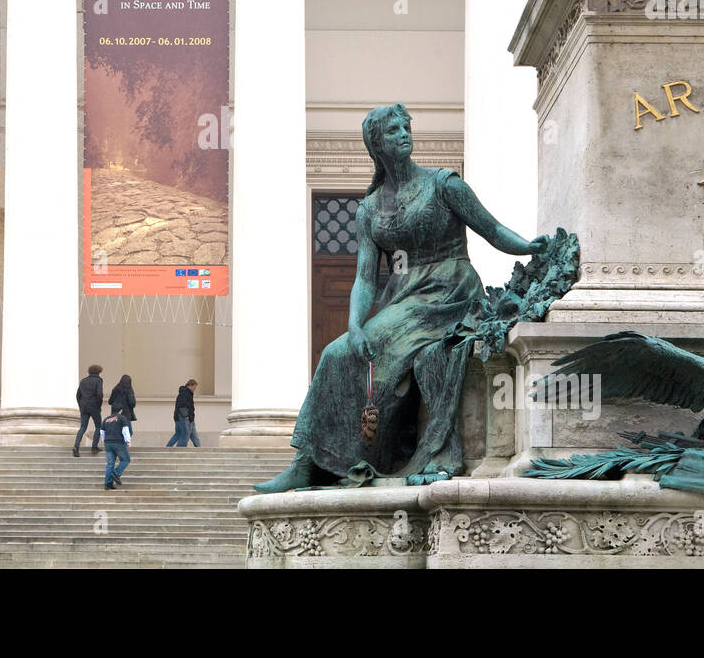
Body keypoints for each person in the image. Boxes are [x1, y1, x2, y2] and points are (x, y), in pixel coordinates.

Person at [256, 104, 549, 493]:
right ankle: (310, 461)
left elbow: (492, 229)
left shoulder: (445, 185)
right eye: (393, 131)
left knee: (362, 353)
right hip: (404, 298)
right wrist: (355, 324)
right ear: (376, 143)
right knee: (340, 352)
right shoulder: (370, 208)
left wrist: (529, 247)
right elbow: (365, 277)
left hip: (450, 293)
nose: (403, 134)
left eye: (406, 127)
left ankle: (321, 463)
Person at [73, 364, 104, 458]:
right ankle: (94, 447)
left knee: (82, 427)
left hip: (84, 407)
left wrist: (81, 405)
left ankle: (76, 446)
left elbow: (78, 395)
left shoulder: (83, 381)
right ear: (99, 372)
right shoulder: (99, 380)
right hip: (94, 406)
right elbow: (99, 394)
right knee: (98, 426)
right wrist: (99, 405)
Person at [100, 404, 132, 490]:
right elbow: (125, 430)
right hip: (118, 443)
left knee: (110, 464)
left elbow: (102, 432)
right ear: (120, 410)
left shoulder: (106, 419)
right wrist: (128, 441)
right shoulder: (122, 418)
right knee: (126, 459)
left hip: (108, 444)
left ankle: (108, 483)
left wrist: (105, 441)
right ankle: (116, 473)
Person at [165, 380, 199, 447]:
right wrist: (186, 416)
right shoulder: (185, 393)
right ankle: (180, 450)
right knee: (185, 435)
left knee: (190, 435)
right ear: (190, 385)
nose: (195, 389)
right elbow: (182, 406)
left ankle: (199, 449)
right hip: (185, 418)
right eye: (194, 387)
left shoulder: (186, 393)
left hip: (188, 418)